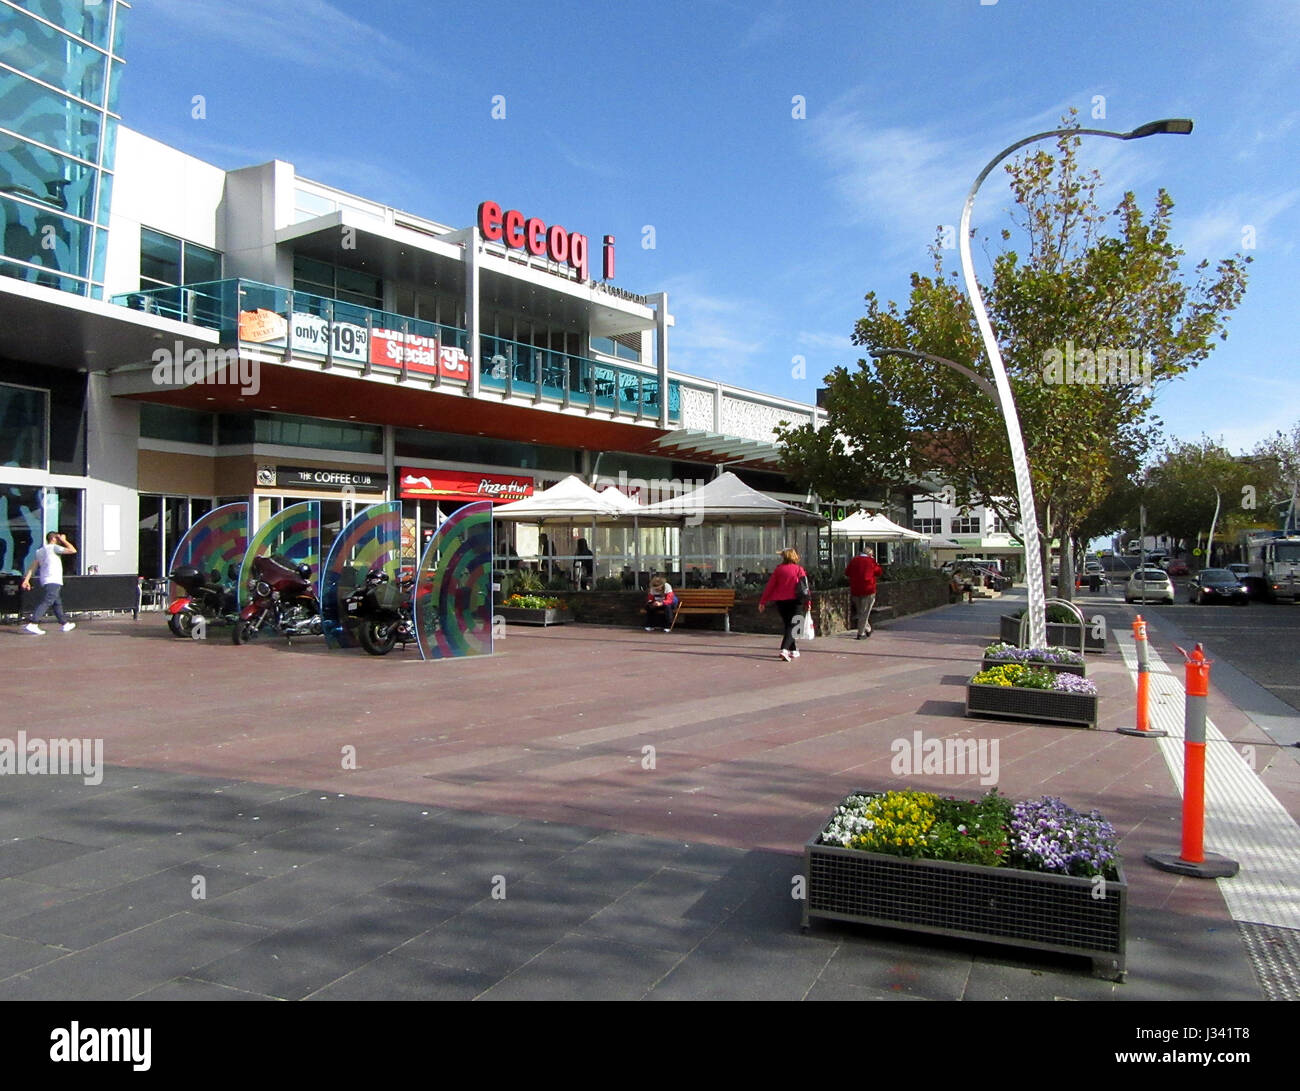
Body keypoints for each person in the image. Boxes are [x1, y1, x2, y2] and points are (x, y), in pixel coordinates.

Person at [21, 531, 77, 634]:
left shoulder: (40, 551)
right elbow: (73, 550)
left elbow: (33, 567)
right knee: (48, 600)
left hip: (46, 579)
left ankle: (64, 623)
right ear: (54, 538)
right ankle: (33, 623)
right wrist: (64, 541)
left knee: (56, 602)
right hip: (54, 579)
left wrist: (26, 580)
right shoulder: (54, 547)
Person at [758, 547, 808, 661]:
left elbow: (770, 586)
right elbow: (805, 587)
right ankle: (784, 649)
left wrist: (763, 601)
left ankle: (794, 650)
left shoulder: (779, 569)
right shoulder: (799, 569)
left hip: (781, 601)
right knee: (795, 625)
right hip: (796, 601)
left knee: (788, 625)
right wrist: (808, 601)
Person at [845, 547, 883, 639]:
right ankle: (860, 633)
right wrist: (875, 563)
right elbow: (878, 572)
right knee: (864, 612)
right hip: (868, 589)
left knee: (860, 611)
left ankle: (868, 629)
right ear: (870, 554)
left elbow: (847, 572)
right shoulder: (871, 561)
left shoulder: (854, 560)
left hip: (855, 589)